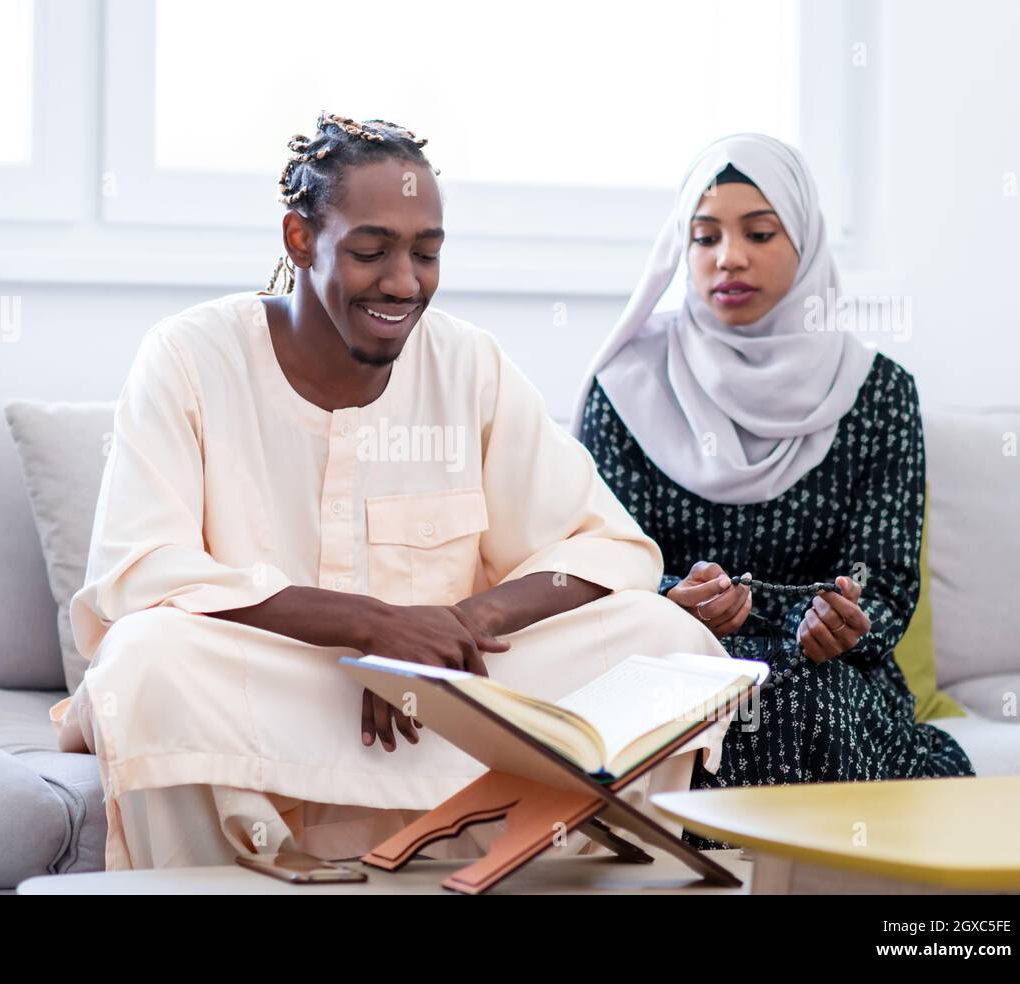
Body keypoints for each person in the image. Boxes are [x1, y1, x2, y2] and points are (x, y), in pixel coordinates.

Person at [48, 112, 737, 870]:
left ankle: (546, 875)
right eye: (371, 251)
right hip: (277, 684)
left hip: (443, 700)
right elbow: (141, 570)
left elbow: (607, 546)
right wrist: (369, 626)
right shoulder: (189, 355)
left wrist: (455, 623)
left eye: (426, 253)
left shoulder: (469, 362)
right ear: (300, 240)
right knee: (148, 655)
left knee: (663, 638)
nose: (404, 283)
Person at [571, 133, 975, 850]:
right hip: (673, 663)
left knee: (801, 705)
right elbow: (603, 560)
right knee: (716, 706)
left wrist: (848, 621)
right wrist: (673, 600)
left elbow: (884, 578)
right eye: (704, 237)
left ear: (807, 241)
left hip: (832, 673)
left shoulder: (877, 394)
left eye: (760, 232)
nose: (729, 257)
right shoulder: (627, 388)